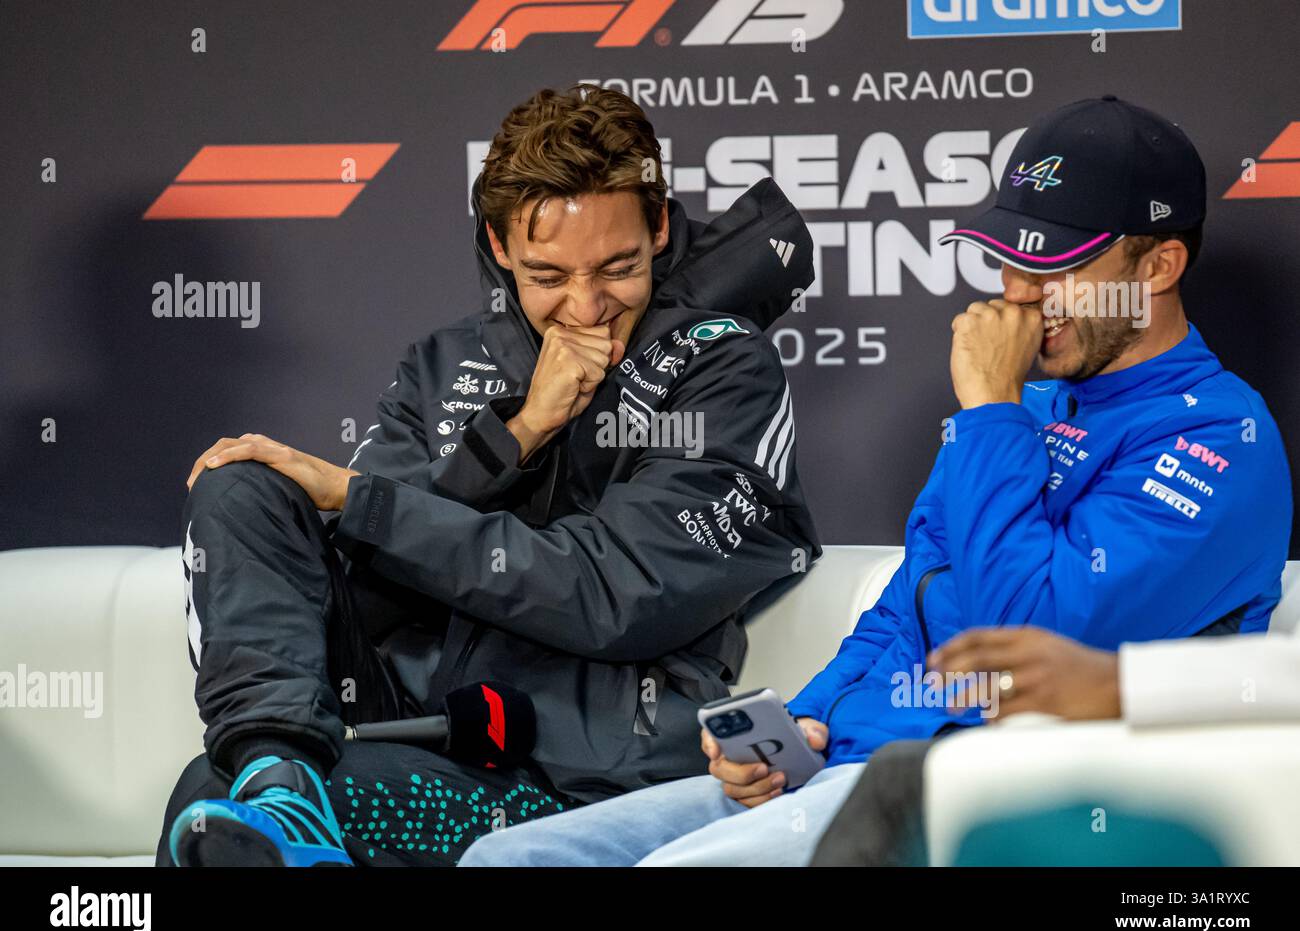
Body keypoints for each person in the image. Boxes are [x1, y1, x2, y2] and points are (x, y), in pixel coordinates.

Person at [459, 95, 1292, 868]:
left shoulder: (1219, 436)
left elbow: (1024, 650)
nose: (1023, 297)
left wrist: (992, 412)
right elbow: (910, 600)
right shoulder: (1024, 405)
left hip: (981, 793)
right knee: (507, 860)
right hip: (844, 768)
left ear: (1159, 265)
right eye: (1008, 261)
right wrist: (801, 725)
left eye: (1057, 267)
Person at [157, 83, 821, 867]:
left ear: (661, 227)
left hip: (573, 780)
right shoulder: (442, 365)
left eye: (618, 267)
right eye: (548, 276)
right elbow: (363, 600)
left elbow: (614, 594)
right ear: (500, 247)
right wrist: (517, 436)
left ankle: (283, 794)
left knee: (210, 796)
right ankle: (278, 766)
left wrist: (363, 500)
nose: (586, 306)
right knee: (240, 484)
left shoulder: (722, 368)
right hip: (415, 725)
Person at [810, 622, 1300, 866]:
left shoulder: (1211, 432)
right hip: (832, 749)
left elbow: (1012, 618)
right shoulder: (1016, 430)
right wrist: (804, 715)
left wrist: (1122, 680)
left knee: (898, 779)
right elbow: (887, 621)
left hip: (947, 745)